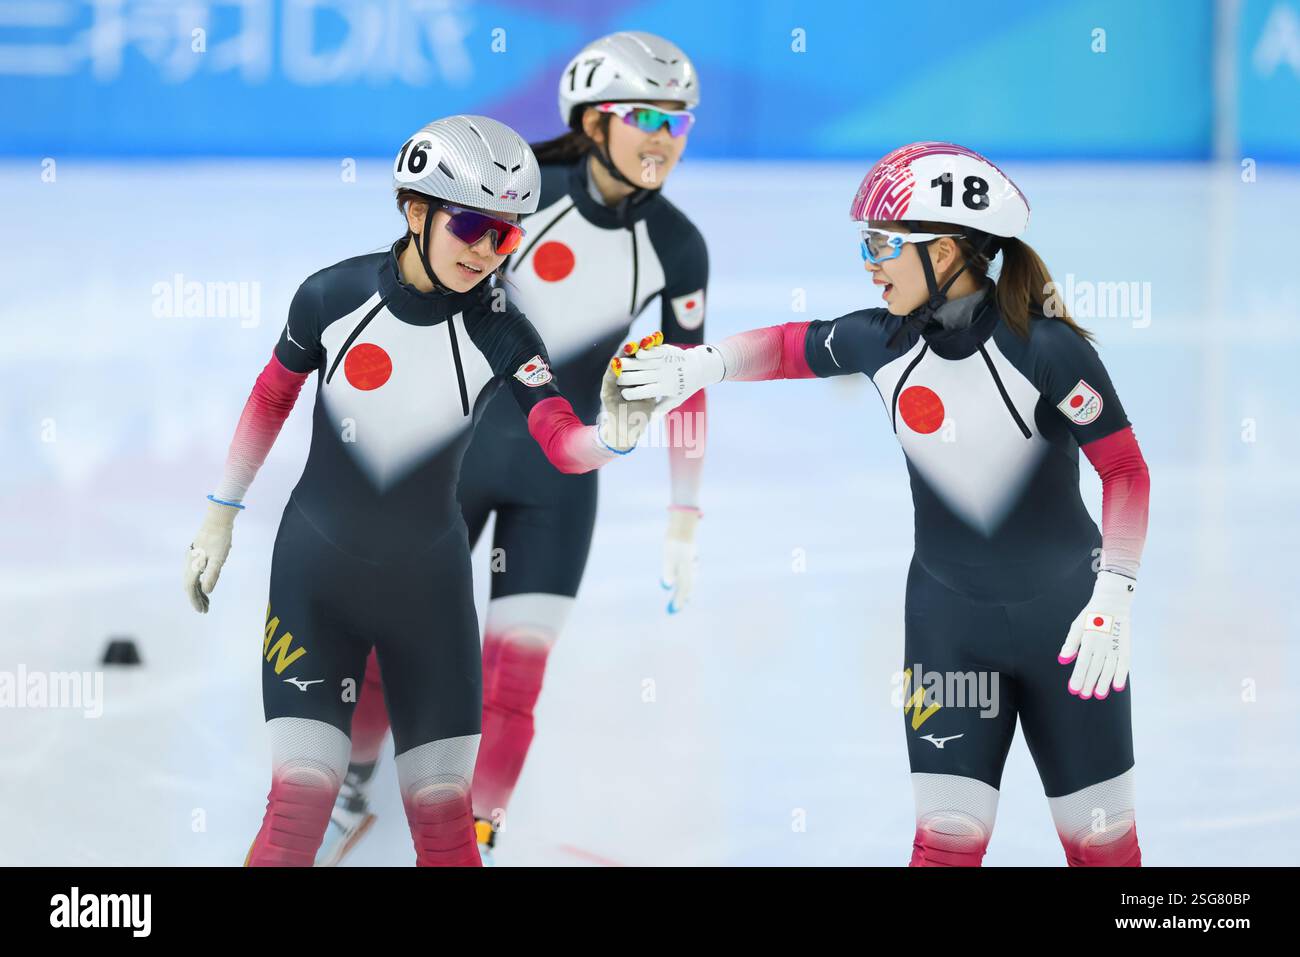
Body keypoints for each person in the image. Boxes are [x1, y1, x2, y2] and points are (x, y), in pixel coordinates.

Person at [615, 142, 1151, 866]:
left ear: (954, 249)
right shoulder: (885, 341)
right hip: (946, 628)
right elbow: (786, 347)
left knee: (1103, 848)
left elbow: (1124, 471)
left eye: (885, 243)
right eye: (866, 242)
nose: (869, 260)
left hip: (1071, 631)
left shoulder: (1047, 350)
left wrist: (1113, 595)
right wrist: (696, 364)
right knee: (944, 846)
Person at [182, 114, 658, 867]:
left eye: (506, 237)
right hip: (315, 584)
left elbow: (561, 441)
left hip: (430, 603)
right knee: (300, 803)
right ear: (414, 210)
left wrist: (615, 435)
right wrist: (220, 514)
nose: (485, 251)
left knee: (444, 825)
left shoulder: (502, 330)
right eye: (471, 224)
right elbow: (271, 396)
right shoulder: (330, 296)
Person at [319, 31, 710, 866]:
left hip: (561, 475)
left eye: (677, 122)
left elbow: (686, 379)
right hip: (450, 454)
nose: (662, 137)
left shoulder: (679, 246)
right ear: (592, 120)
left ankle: (476, 831)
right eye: (644, 114)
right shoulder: (517, 190)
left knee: (514, 675)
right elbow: (415, 289)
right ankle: (351, 774)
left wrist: (685, 507)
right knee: (399, 639)